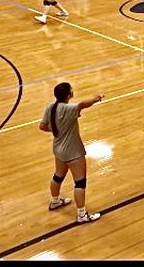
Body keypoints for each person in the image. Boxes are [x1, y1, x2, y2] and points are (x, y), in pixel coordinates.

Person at [39, 82, 104, 223]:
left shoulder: (50, 107)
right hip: (73, 152)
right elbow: (82, 104)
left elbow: (42, 126)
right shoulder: (70, 109)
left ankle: (55, 201)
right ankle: (81, 215)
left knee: (58, 176)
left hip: (58, 149)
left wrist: (57, 131)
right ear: (69, 95)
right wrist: (97, 98)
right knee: (80, 183)